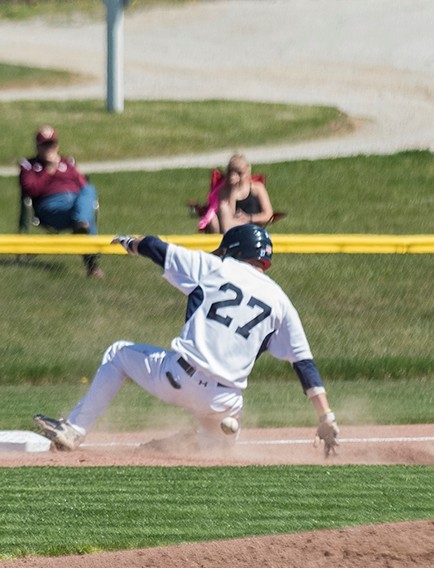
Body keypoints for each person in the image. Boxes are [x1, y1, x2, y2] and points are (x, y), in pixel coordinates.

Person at [34, 224, 340, 455]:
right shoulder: (281, 301)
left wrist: (130, 243)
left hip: (177, 377)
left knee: (118, 354)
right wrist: (326, 416)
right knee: (221, 443)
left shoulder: (216, 267)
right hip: (224, 403)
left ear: (233, 249)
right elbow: (305, 365)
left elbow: (155, 246)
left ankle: (74, 430)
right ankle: (193, 441)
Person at [19, 125, 103, 278]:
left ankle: (80, 223)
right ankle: (92, 267)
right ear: (38, 147)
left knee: (89, 189)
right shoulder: (30, 166)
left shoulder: (68, 163)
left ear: (57, 146)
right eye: (45, 145)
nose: (49, 148)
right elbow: (30, 189)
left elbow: (83, 185)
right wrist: (49, 170)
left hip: (75, 203)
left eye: (51, 144)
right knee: (85, 216)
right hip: (51, 207)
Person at [199, 154, 275, 234]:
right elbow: (228, 217)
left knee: (224, 211)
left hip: (252, 229)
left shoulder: (257, 188)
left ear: (248, 172)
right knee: (220, 211)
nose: (235, 176)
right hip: (231, 229)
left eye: (240, 173)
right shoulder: (224, 191)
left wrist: (249, 218)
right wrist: (233, 191)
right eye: (232, 172)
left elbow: (269, 215)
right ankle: (226, 243)